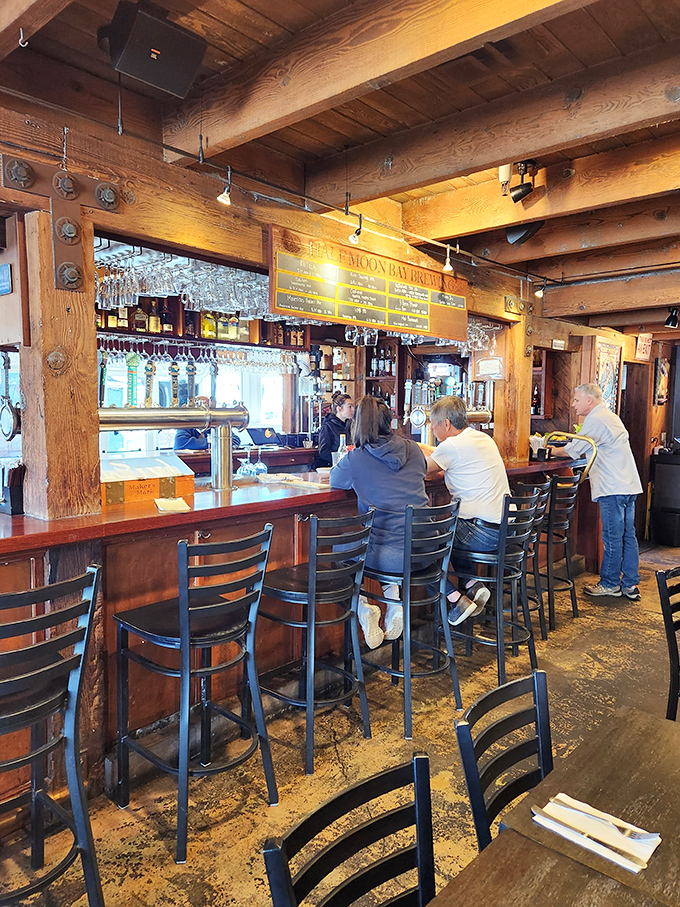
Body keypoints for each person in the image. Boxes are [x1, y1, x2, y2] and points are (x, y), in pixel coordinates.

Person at [330, 396, 429, 648]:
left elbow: (335, 480)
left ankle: (362, 607)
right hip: (429, 551)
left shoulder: (357, 459)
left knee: (341, 552)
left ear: (358, 425)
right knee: (383, 537)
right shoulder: (414, 448)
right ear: (389, 422)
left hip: (393, 556)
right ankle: (394, 604)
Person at [550, 382, 642, 599]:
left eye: (576, 400)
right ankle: (630, 584)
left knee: (612, 536)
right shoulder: (610, 416)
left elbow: (574, 450)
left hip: (612, 487)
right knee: (628, 536)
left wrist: (549, 448)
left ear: (589, 400)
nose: (573, 405)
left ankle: (610, 583)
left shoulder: (596, 419)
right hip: (628, 484)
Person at [424, 395, 510, 626]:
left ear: (446, 424)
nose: (432, 430)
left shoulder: (451, 446)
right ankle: (472, 584)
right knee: (454, 529)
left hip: (480, 534)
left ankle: (458, 597)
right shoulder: (483, 438)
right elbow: (453, 467)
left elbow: (423, 471)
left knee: (431, 541)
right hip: (503, 531)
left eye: (433, 425)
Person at [314, 392, 354, 468]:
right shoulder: (328, 426)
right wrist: (339, 458)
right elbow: (324, 452)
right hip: (334, 467)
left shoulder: (351, 425)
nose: (353, 409)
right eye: (349, 407)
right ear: (339, 409)